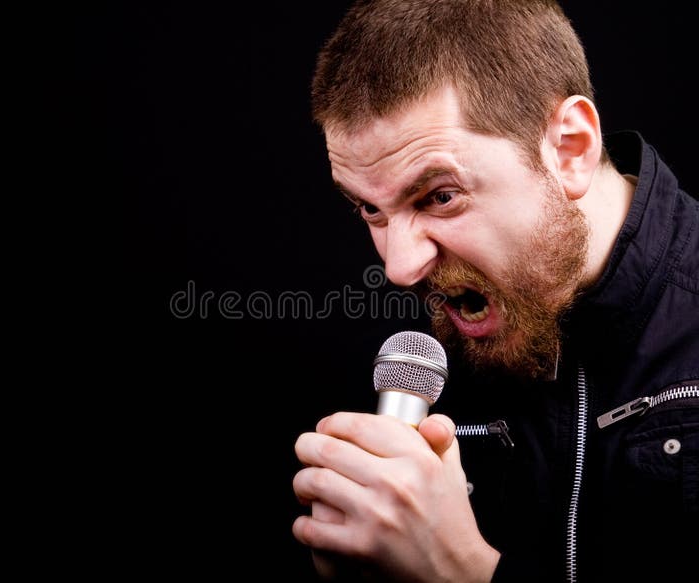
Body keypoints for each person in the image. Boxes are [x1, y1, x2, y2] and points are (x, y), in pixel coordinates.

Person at [291, 1, 698, 581]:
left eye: (438, 196)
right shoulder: (426, 364)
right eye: (369, 208)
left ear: (571, 149)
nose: (400, 268)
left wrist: (463, 571)